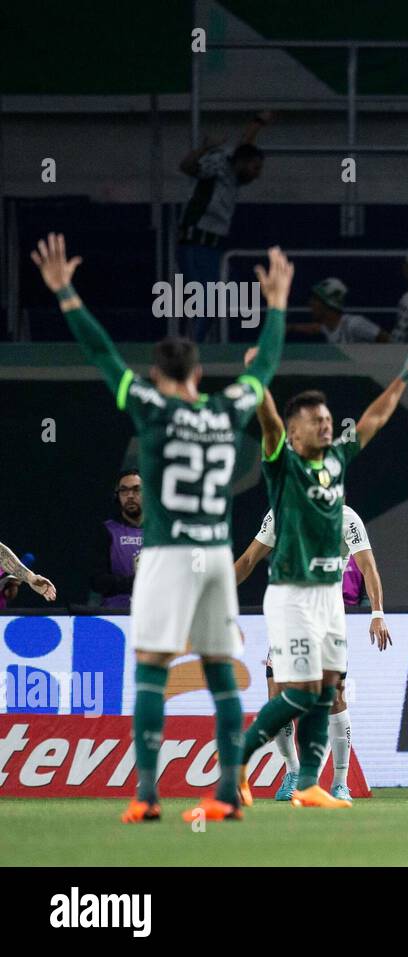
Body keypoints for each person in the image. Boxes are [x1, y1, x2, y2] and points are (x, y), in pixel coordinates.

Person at [32, 233, 287, 824]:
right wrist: (275, 304)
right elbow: (268, 365)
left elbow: (101, 355)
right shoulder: (227, 411)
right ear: (199, 373)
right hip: (215, 558)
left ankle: (146, 794)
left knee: (151, 668)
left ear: (157, 372)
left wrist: (65, 293)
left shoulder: (148, 404)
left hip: (168, 555)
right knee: (222, 674)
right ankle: (228, 791)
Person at [237, 349, 408, 810]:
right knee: (296, 693)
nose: (326, 424)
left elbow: (373, 422)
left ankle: (309, 785)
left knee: (325, 692)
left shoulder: (337, 463)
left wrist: (402, 376)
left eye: (328, 418)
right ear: (294, 429)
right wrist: (256, 376)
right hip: (292, 598)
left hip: (329, 602)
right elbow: (268, 421)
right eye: (316, 420)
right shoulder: (282, 467)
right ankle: (236, 763)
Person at [176, 112, 272, 343]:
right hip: (195, 244)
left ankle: (200, 342)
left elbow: (245, 145)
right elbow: (186, 166)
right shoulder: (217, 165)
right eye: (255, 168)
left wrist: (257, 123)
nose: (257, 175)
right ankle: (191, 348)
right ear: (242, 162)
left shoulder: (237, 167)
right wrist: (204, 148)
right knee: (209, 302)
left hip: (213, 249)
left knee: (232, 293)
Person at [91, 469, 144, 608]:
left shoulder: (160, 531)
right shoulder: (107, 531)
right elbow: (97, 581)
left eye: (136, 489)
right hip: (118, 616)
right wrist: (134, 583)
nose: (130, 496)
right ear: (117, 496)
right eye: (124, 490)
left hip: (157, 614)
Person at [287, 278, 389, 344]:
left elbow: (388, 339)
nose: (310, 303)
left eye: (315, 300)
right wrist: (291, 327)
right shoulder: (328, 327)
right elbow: (315, 328)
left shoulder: (354, 324)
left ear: (328, 304)